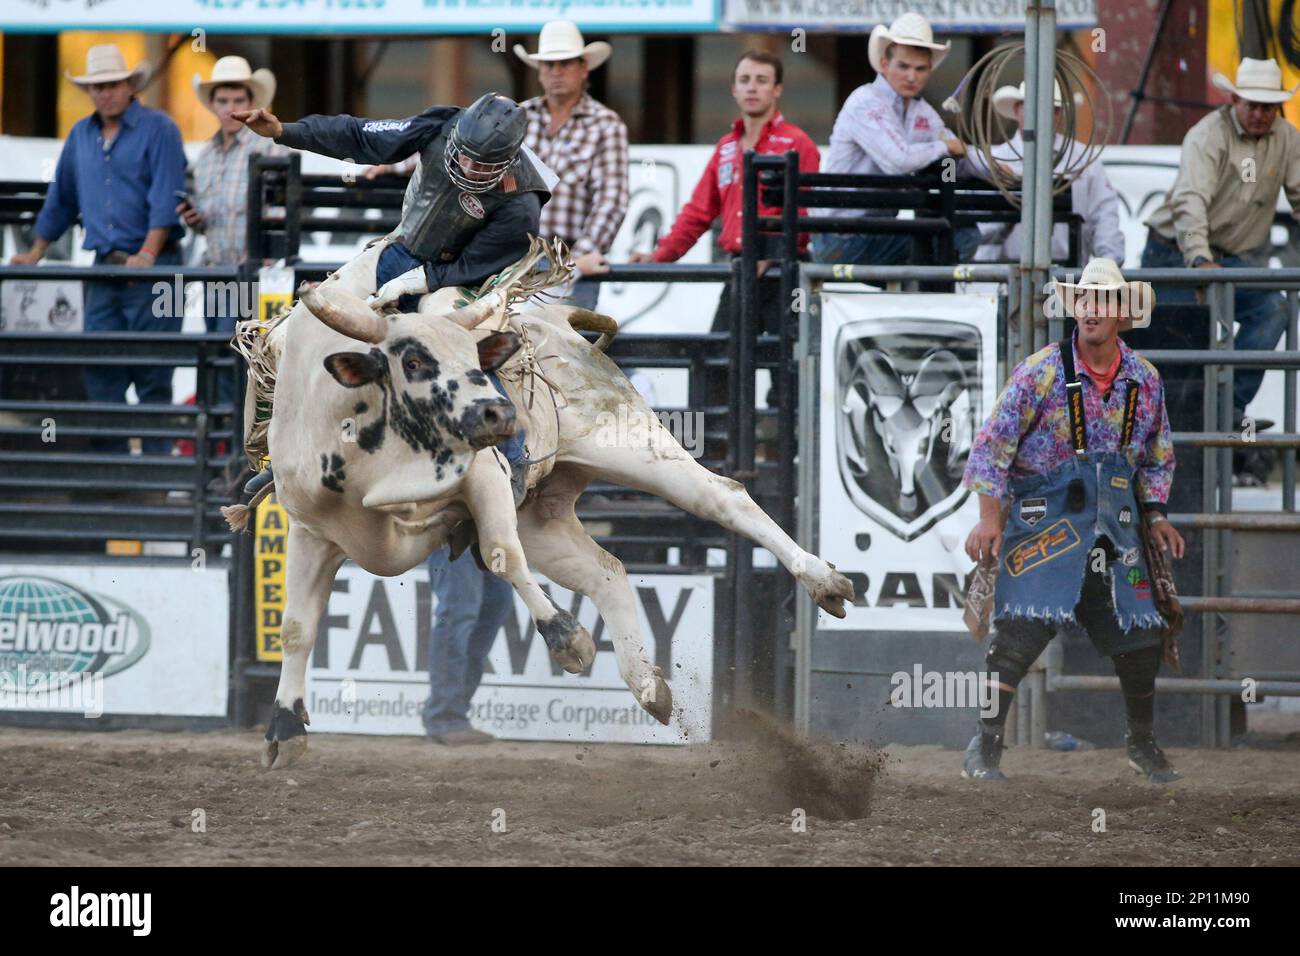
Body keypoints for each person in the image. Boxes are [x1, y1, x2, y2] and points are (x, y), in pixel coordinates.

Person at [234, 92, 556, 492]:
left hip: (464, 279)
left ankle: (512, 454)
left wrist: (420, 280)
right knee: (292, 329)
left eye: (482, 164)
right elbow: (364, 136)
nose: (469, 167)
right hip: (400, 248)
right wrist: (286, 131)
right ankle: (278, 448)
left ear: (507, 162)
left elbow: (477, 264)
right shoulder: (441, 125)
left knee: (456, 343)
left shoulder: (521, 203)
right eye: (465, 155)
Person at [962, 257, 1186, 784]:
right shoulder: (1041, 370)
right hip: (1047, 521)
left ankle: (1142, 746)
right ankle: (985, 746)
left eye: (1101, 300)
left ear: (1120, 314)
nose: (1090, 310)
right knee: (1018, 632)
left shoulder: (1144, 380)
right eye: (1083, 300)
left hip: (1116, 526)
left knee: (1139, 637)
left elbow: (1158, 455)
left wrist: (1154, 514)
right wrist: (990, 519)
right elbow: (992, 445)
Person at [11, 44, 186, 455]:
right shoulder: (81, 135)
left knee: (154, 373)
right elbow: (63, 198)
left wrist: (147, 252)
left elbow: (167, 195)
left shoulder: (160, 129)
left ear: (129, 86)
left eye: (111, 84)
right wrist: (36, 250)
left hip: (159, 266)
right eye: (97, 87)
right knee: (102, 371)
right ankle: (116, 472)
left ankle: (157, 477)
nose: (104, 93)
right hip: (105, 269)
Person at [1142, 57, 1300, 429]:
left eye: (1268, 106)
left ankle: (1226, 407)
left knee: (1273, 310)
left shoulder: (1288, 138)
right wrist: (1198, 258)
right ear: (1234, 101)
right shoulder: (1207, 134)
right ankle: (1165, 429)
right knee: (1180, 346)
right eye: (1253, 105)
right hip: (1174, 254)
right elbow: (1190, 198)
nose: (1261, 114)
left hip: (1227, 259)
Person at [630, 49, 819, 336]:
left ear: (777, 89)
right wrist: (659, 255)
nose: (752, 87)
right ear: (734, 89)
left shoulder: (797, 143)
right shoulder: (727, 147)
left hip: (785, 272)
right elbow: (698, 212)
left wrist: (769, 255)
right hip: (742, 269)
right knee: (719, 367)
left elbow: (805, 214)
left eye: (761, 80)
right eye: (744, 80)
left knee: (786, 373)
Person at [814, 12, 989, 266]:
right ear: (884, 65)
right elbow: (898, 161)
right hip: (841, 237)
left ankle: (916, 289)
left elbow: (961, 155)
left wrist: (1001, 169)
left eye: (920, 69)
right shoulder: (865, 102)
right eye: (903, 66)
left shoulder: (922, 113)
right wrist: (944, 147)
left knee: (959, 234)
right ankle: (920, 289)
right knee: (956, 236)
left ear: (929, 71)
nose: (911, 77)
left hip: (867, 232)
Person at [182, 56, 286, 408]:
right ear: (212, 105)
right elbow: (204, 216)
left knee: (243, 362)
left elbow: (280, 209)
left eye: (238, 101)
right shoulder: (205, 156)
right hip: (216, 273)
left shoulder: (267, 148)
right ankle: (226, 447)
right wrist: (194, 219)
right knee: (218, 357)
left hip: (253, 275)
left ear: (251, 104)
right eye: (223, 101)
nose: (230, 108)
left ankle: (239, 448)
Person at [515, 19, 629, 310]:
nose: (556, 71)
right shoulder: (519, 116)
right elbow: (468, 154)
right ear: (539, 71)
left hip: (569, 256)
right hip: (513, 259)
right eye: (549, 64)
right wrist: (391, 164)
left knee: (561, 352)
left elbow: (611, 200)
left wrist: (577, 260)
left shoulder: (605, 124)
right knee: (506, 349)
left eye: (565, 63)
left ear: (583, 68)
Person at [973, 81, 1124, 266]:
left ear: (1058, 114)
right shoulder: (995, 162)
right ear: (1017, 109)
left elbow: (1103, 213)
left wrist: (1108, 263)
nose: (1039, 116)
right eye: (1032, 107)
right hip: (1006, 274)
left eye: (1050, 109)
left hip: (1068, 272)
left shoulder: (1083, 159)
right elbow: (980, 230)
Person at [421, 544, 514, 745]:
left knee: (496, 604)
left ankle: (454, 712)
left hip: (490, 536)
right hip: (454, 531)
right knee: (458, 612)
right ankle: (445, 717)